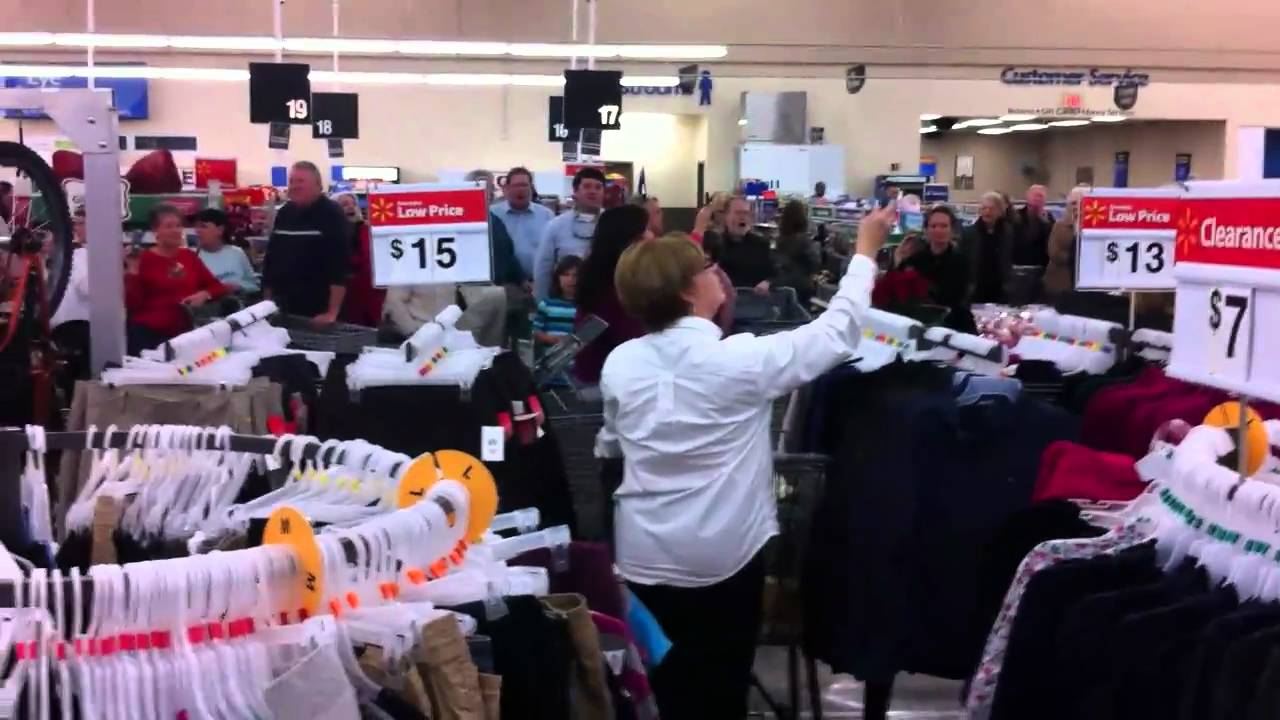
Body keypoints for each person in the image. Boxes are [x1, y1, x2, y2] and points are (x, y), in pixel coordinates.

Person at [597, 204, 895, 719]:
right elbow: (835, 333)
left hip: (642, 552)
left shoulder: (621, 362)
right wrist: (866, 251)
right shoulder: (738, 361)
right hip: (721, 559)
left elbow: (613, 445)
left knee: (657, 692)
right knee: (718, 688)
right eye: (707, 268)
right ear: (689, 291)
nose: (719, 272)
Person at [125, 204, 227, 353]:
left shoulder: (189, 257)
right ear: (156, 231)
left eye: (179, 226)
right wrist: (133, 273)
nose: (176, 231)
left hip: (184, 334)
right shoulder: (143, 259)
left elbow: (217, 287)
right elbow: (132, 304)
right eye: (169, 226)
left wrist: (204, 294)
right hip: (148, 336)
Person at [572, 204, 652, 384]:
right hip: (610, 381)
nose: (653, 236)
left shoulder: (598, 277)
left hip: (599, 375)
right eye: (647, 230)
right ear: (632, 240)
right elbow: (634, 341)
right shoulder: (617, 289)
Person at [262, 161, 350, 324]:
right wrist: (266, 305)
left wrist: (332, 312)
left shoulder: (332, 214)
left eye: (300, 181)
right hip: (282, 308)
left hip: (317, 312)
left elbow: (339, 267)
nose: (294, 186)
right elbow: (271, 259)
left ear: (318, 185)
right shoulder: (285, 213)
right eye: (292, 181)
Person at [893, 205, 973, 331]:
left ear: (952, 230)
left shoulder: (962, 261)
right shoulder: (915, 260)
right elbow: (894, 291)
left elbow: (955, 299)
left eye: (944, 226)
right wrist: (898, 260)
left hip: (953, 327)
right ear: (926, 230)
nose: (938, 230)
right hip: (919, 325)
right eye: (933, 226)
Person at [533, 167, 605, 299]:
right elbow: (542, 271)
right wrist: (542, 304)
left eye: (598, 187)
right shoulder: (555, 226)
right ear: (575, 192)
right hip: (565, 306)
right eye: (587, 186)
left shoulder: (613, 223)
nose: (593, 191)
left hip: (603, 304)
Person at [51, 205, 90, 388]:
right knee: (80, 379)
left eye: (82, 223)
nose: (77, 228)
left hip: (70, 324)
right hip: (76, 324)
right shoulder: (81, 254)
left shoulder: (77, 253)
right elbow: (86, 288)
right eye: (77, 223)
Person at [702, 196, 775, 294]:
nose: (742, 217)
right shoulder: (714, 244)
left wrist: (768, 282)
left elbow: (776, 274)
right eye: (738, 213)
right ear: (726, 216)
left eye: (746, 213)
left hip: (754, 303)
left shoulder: (761, 244)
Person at [494, 167, 553, 282]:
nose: (521, 190)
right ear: (507, 189)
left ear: (531, 188)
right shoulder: (494, 215)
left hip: (538, 283)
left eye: (525, 185)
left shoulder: (546, 216)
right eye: (516, 186)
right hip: (506, 285)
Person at [333, 193, 383, 327]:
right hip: (343, 294)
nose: (350, 207)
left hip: (368, 293)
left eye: (353, 204)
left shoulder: (366, 230)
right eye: (344, 204)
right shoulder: (331, 234)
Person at [961, 191, 1014, 304]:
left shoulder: (1008, 232)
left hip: (1000, 289)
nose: (987, 212)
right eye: (984, 208)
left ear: (1000, 211)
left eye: (991, 208)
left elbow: (1009, 258)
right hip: (976, 288)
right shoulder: (969, 233)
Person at [194, 208, 259, 295]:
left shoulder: (237, 253)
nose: (197, 231)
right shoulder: (193, 256)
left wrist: (238, 287)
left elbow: (254, 285)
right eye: (196, 226)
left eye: (203, 226)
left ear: (220, 230)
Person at [1044, 186, 1089, 300]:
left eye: (1080, 202)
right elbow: (1054, 253)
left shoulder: (1093, 229)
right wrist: (1077, 258)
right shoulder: (1059, 226)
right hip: (1059, 283)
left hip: (1084, 285)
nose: (1076, 207)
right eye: (1073, 203)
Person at [532, 255, 582, 359]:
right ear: (558, 277)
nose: (571, 279)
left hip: (577, 358)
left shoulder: (585, 306)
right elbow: (536, 331)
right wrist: (553, 339)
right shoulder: (547, 304)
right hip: (551, 358)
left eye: (576, 275)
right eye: (566, 275)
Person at [773, 199, 820, 306]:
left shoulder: (781, 239)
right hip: (802, 287)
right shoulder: (804, 240)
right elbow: (814, 264)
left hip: (782, 286)